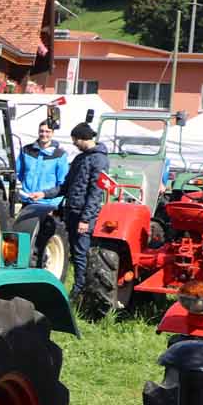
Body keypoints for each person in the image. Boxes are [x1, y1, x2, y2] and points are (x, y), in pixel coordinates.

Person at [60, 122, 111, 295]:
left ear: (83, 139)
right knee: (74, 253)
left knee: (81, 253)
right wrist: (44, 194)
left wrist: (85, 219)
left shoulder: (99, 160)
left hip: (83, 215)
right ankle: (77, 285)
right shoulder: (80, 158)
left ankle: (80, 290)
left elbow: (95, 193)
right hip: (71, 211)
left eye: (75, 140)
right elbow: (67, 186)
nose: (74, 143)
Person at [15, 121, 68, 222]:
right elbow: (19, 173)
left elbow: (62, 183)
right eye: (41, 131)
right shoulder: (26, 150)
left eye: (47, 131)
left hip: (48, 204)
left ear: (52, 133)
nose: (44, 134)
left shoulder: (59, 154)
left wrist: (54, 204)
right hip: (28, 201)